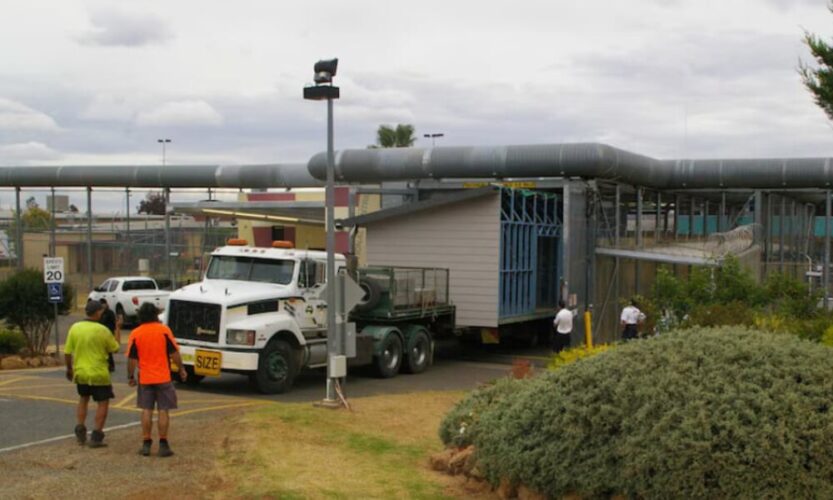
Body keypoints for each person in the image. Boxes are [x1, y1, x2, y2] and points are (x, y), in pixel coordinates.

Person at [127, 302, 187, 457]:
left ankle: (146, 443)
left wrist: (130, 376)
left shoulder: (136, 333)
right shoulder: (164, 331)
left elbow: (132, 359)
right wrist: (181, 369)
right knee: (163, 410)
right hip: (163, 376)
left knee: (146, 409)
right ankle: (163, 443)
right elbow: (174, 353)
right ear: (155, 314)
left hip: (145, 378)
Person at [64, 300, 120, 448]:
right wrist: (118, 328)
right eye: (100, 311)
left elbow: (68, 352)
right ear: (97, 313)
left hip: (81, 372)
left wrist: (69, 369)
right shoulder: (102, 330)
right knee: (103, 402)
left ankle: (80, 428)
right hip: (99, 373)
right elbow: (115, 348)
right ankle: (97, 434)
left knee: (83, 398)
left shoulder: (75, 328)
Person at [98, 299, 123, 373]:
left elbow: (115, 323)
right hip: (100, 333)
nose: (103, 306)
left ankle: (111, 365)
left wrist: (116, 332)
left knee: (109, 350)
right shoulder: (99, 313)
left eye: (104, 304)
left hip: (109, 333)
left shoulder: (110, 313)